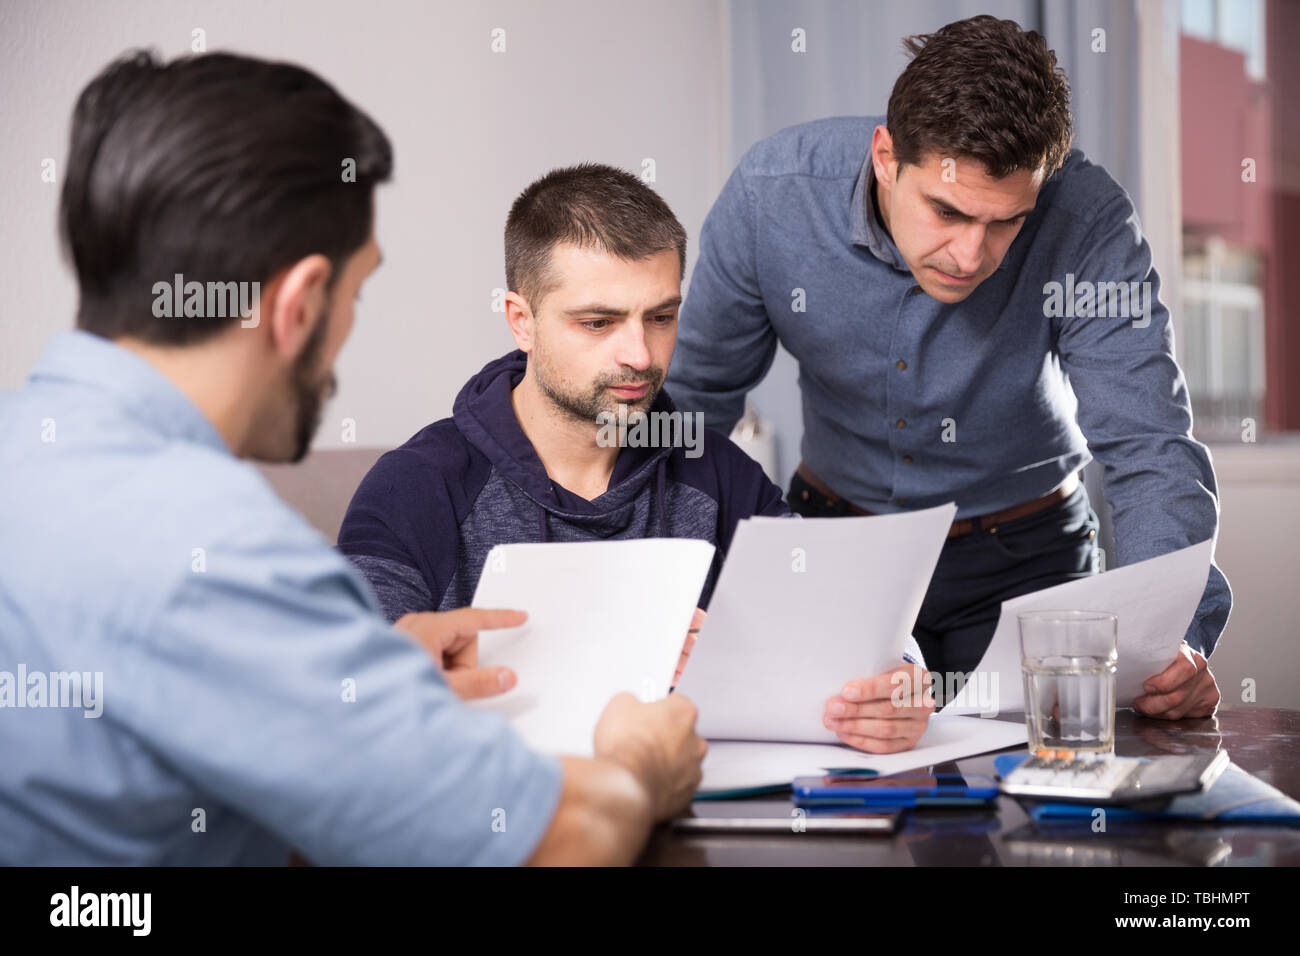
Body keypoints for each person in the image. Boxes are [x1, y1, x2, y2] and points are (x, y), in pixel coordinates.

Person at [0, 50, 705, 866]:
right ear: (299, 305)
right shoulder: (224, 555)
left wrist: (359, 691)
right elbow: (568, 839)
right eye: (355, 293)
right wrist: (640, 762)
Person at [665, 15, 1229, 719]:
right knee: (831, 794)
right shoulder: (772, 197)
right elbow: (692, 408)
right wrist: (668, 592)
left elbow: (1149, 445)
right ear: (884, 157)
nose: (970, 255)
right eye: (946, 211)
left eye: (1004, 223)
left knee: (1039, 800)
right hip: (836, 553)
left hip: (1026, 563)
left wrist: (1172, 635)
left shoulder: (1087, 220)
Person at [338, 163, 936, 753]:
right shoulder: (415, 487)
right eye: (598, 322)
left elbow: (843, 627)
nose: (640, 355)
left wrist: (893, 684)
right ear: (522, 322)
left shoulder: (716, 472)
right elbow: (344, 700)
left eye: (661, 318)